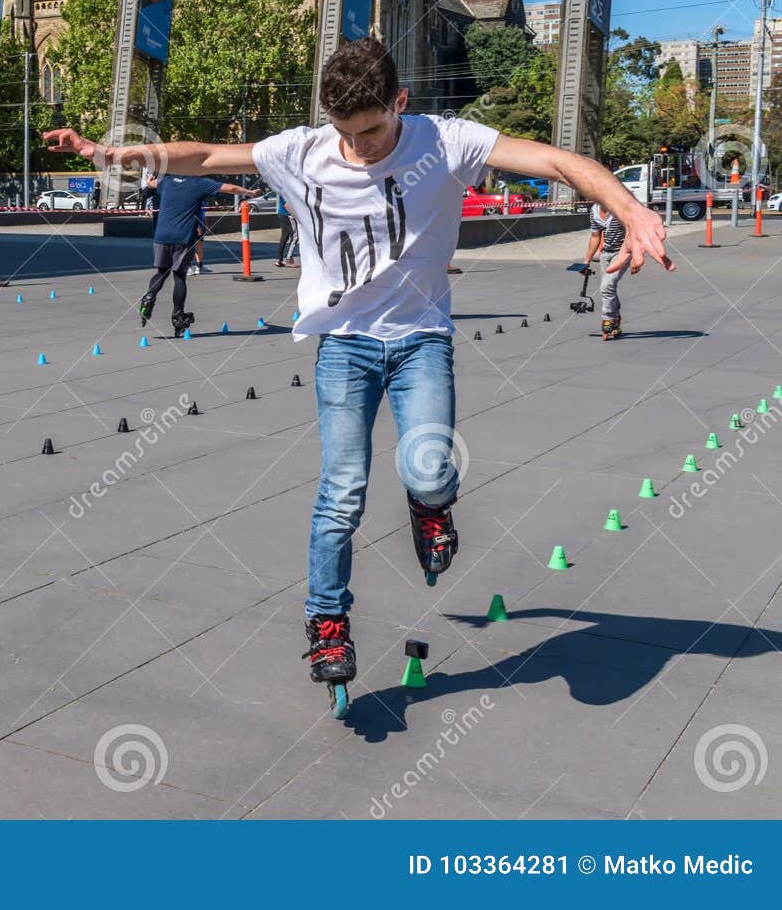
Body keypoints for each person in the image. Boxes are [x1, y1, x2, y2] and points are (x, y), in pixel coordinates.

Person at [45, 36, 672, 710]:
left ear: (400, 102)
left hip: (420, 340)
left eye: (371, 132)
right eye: (345, 133)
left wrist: (630, 208)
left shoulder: (444, 140)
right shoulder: (302, 150)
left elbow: (556, 160)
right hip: (344, 347)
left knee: (429, 472)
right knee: (342, 491)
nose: (359, 147)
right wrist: (112, 154)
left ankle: (430, 507)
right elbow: (204, 156)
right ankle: (327, 622)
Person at [138, 173, 254, 335]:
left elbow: (150, 184)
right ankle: (178, 316)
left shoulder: (166, 181)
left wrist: (149, 181)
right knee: (179, 276)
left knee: (161, 272)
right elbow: (230, 188)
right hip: (183, 237)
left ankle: (149, 296)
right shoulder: (200, 183)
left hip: (161, 235)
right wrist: (249, 192)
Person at [586, 199, 628, 340]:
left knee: (606, 286)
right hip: (606, 253)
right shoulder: (594, 211)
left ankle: (608, 319)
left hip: (623, 252)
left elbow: (632, 233)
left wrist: (637, 258)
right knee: (609, 288)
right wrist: (587, 260)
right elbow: (595, 236)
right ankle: (616, 319)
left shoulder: (619, 209)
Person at [275, 192, 299, 268]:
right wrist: (295, 216)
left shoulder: (282, 189)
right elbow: (287, 205)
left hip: (281, 214)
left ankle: (279, 259)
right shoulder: (287, 190)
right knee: (295, 237)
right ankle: (288, 259)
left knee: (284, 237)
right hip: (287, 216)